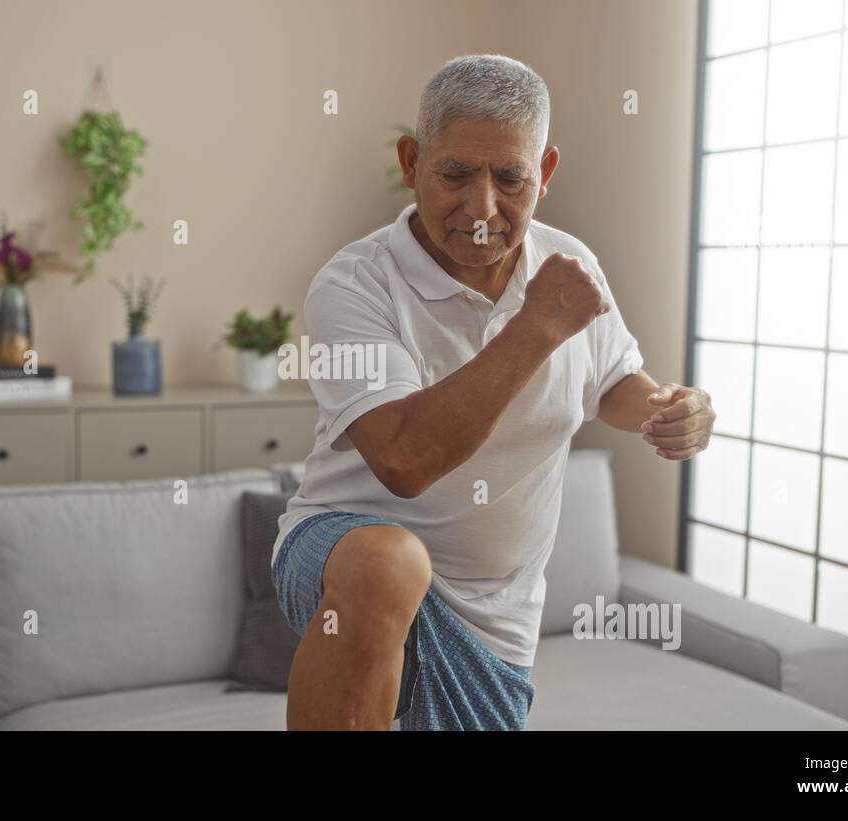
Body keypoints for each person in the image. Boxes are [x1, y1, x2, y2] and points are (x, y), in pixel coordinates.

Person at [272, 54, 717, 730]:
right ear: (411, 161)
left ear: (544, 173)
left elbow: (614, 380)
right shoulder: (355, 284)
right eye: (455, 174)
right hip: (342, 555)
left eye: (510, 178)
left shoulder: (570, 266)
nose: (482, 210)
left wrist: (669, 408)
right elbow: (404, 459)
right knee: (387, 563)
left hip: (497, 619)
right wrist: (535, 327)